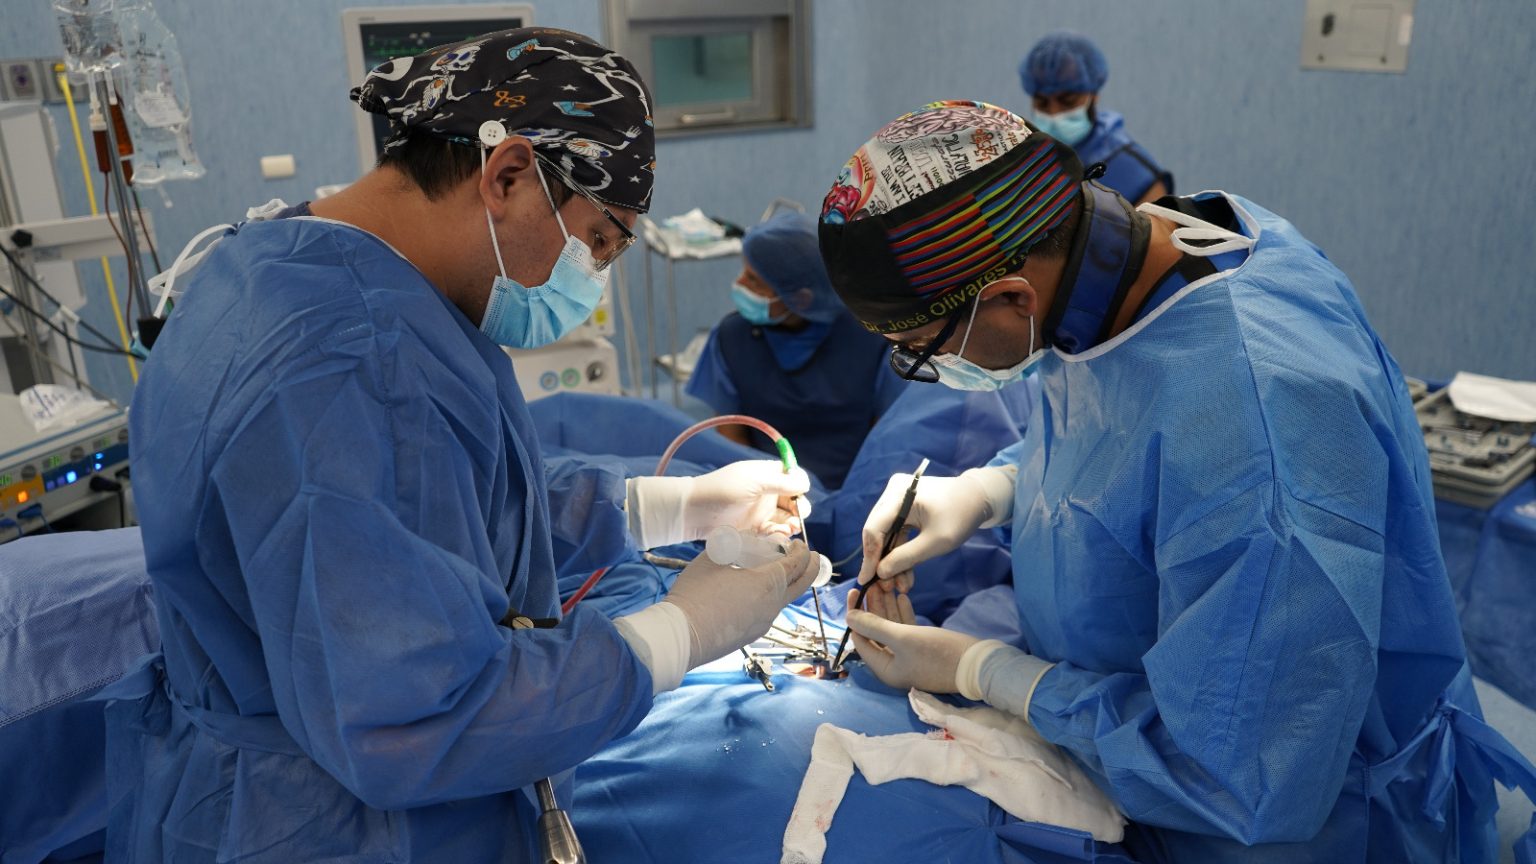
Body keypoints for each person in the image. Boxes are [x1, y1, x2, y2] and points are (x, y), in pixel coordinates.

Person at [108, 28, 822, 862]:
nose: (592, 276)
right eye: (598, 240)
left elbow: (435, 505)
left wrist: (675, 504)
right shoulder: (351, 362)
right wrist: (680, 633)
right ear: (507, 176)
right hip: (328, 829)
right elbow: (419, 716)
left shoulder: (273, 268)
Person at [817, 100, 1536, 862]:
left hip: (1302, 824)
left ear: (1011, 298)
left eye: (919, 349)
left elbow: (1247, 774)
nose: (923, 371)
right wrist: (988, 493)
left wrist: (982, 669)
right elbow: (1130, 446)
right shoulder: (1136, 257)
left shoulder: (1260, 422)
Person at [686, 210, 906, 488]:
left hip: (857, 486)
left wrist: (858, 495)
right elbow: (731, 436)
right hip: (765, 486)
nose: (739, 284)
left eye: (754, 280)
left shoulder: (871, 338)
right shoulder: (732, 338)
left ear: (801, 299)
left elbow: (887, 435)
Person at [1020, 31, 1172, 204]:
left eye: (1068, 102)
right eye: (1042, 103)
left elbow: (1160, 230)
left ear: (1094, 95)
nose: (1054, 114)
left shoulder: (1135, 174)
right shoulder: (1024, 160)